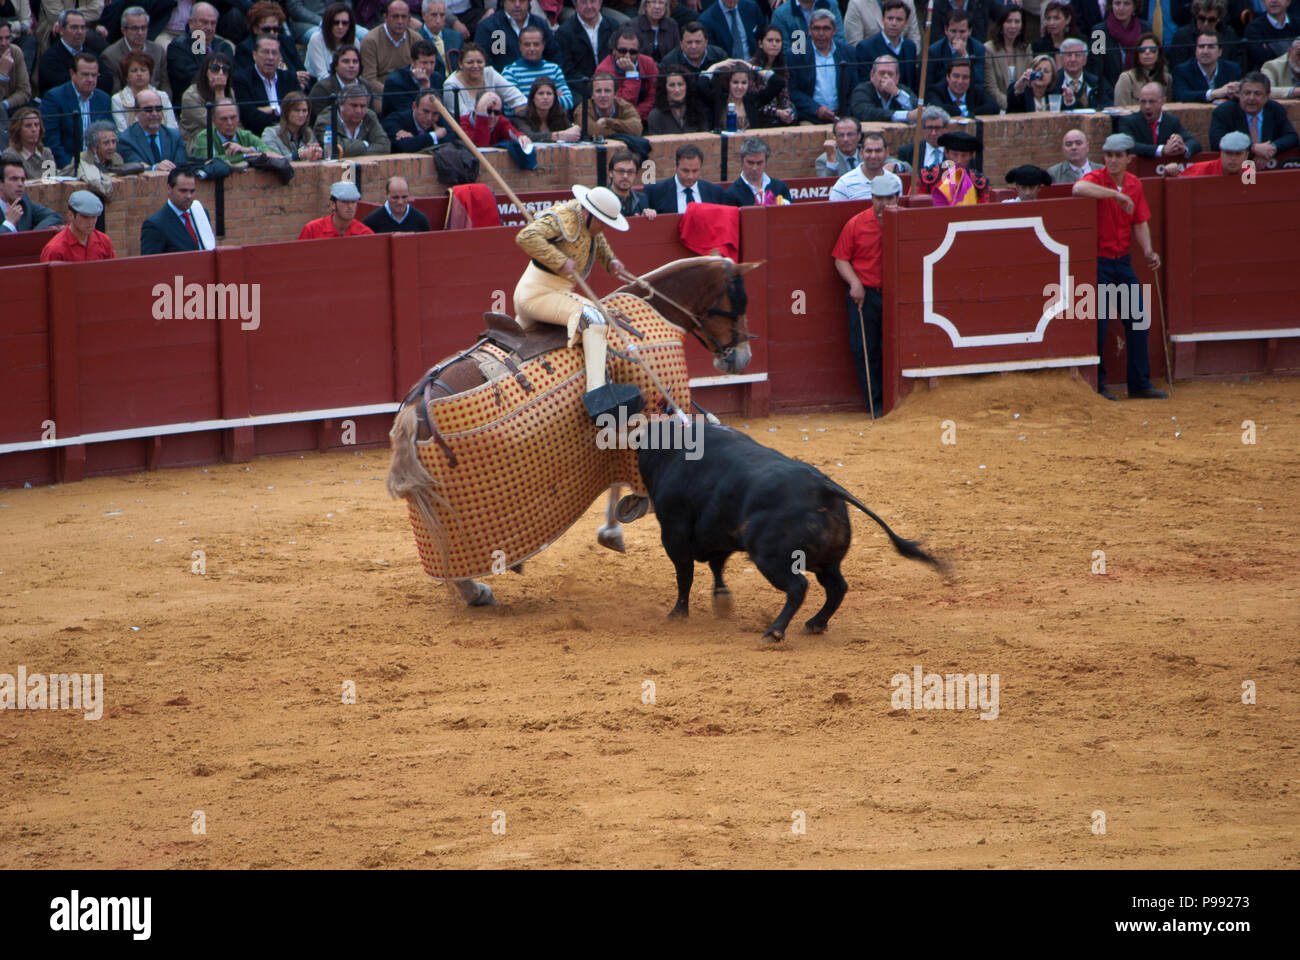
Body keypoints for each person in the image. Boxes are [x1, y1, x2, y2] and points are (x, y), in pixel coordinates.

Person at [513, 183, 637, 420]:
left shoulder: (589, 225)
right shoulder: (564, 217)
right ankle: (598, 395)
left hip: (551, 291)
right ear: (588, 213)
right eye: (601, 222)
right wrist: (559, 260)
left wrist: (610, 261)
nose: (603, 228)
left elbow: (596, 240)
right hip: (538, 293)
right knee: (594, 319)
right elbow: (525, 236)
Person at [1072, 132, 1166, 401]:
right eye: (1109, 156)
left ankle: (1139, 384)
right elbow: (1078, 189)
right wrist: (1114, 194)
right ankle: (1098, 385)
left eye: (1118, 156)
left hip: (1122, 262)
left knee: (1137, 321)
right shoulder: (1097, 179)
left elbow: (1139, 221)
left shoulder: (1135, 184)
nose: (1113, 161)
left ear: (1129, 159)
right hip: (1098, 263)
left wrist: (1148, 251)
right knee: (1100, 324)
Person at [831, 171, 900, 418]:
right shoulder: (857, 223)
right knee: (864, 348)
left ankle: (897, 401)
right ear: (871, 198)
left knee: (893, 348)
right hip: (867, 295)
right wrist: (854, 283)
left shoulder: (906, 221)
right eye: (878, 198)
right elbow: (841, 258)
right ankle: (876, 405)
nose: (883, 204)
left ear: (898, 198)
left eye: (888, 198)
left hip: (897, 296)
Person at [40, 52, 113, 169]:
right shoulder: (55, 98)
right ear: (72, 73)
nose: (90, 79)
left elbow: (109, 134)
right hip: (66, 167)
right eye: (85, 75)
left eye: (94, 75)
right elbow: (51, 141)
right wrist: (73, 167)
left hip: (100, 167)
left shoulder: (104, 99)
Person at [787, 10, 858, 123]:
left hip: (842, 117)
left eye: (826, 28)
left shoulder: (847, 52)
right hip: (809, 117)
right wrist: (816, 109)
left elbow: (854, 88)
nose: (821, 33)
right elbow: (793, 91)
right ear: (809, 30)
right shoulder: (796, 53)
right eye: (816, 28)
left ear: (834, 30)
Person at [1208, 70, 1299, 158]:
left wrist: (1271, 148)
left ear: (1267, 96)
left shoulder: (1275, 109)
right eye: (1247, 93)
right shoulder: (1224, 112)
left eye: (1257, 94)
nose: (1251, 98)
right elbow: (1216, 142)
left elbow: (1291, 137)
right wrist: (1253, 148)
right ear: (1239, 94)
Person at [234, 33, 304, 137]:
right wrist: (285, 116)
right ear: (254, 55)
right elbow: (249, 118)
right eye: (265, 52)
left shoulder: (290, 78)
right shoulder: (242, 79)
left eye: (274, 53)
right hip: (258, 137)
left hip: (290, 136)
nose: (270, 57)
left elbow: (301, 109)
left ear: (280, 57)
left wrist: (270, 110)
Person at [166, 3, 234, 102]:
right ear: (190, 22)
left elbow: (230, 75)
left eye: (213, 23)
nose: (209, 28)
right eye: (204, 22)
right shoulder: (178, 47)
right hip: (195, 101)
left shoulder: (224, 47)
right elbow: (190, 78)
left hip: (223, 99)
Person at [1118, 82, 1202, 160]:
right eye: (1143, 102)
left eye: (1152, 102)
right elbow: (1128, 145)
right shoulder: (1128, 122)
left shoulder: (1171, 121)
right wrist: (1162, 150)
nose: (1147, 106)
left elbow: (1194, 143)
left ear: (1163, 101)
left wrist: (1182, 148)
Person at [140, 166, 216, 252]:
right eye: (183, 191)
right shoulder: (155, 225)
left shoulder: (201, 213)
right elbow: (150, 263)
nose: (189, 196)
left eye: (192, 191)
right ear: (169, 189)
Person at [37, 11, 113, 97]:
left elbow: (108, 81)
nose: (80, 32)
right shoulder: (50, 57)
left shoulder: (92, 54)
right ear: (61, 30)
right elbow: (62, 86)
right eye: (74, 27)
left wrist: (80, 81)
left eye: (83, 27)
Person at [441, 42, 525, 117]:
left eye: (479, 62)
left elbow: (518, 99)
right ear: (460, 64)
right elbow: (463, 118)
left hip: (494, 126)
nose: (475, 66)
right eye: (470, 62)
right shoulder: (450, 85)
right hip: (467, 131)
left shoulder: (490, 73)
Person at [235, 2, 309, 86]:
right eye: (267, 30)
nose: (272, 33)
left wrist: (301, 83)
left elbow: (303, 72)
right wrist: (292, 79)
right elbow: (251, 81)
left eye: (276, 29)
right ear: (255, 29)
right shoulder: (245, 49)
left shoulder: (286, 42)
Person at [854, 0, 921, 93]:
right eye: (890, 18)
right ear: (883, 20)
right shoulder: (865, 47)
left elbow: (912, 83)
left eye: (899, 19)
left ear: (906, 23)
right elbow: (864, 85)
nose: (894, 23)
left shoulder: (910, 47)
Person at [502, 24, 573, 112]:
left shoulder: (554, 69)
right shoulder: (510, 72)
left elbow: (569, 102)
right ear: (520, 46)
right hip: (522, 124)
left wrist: (528, 100)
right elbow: (510, 109)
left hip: (554, 124)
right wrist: (553, 99)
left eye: (536, 44)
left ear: (543, 46)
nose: (532, 48)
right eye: (527, 44)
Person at [556, 0, 616, 100]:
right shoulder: (564, 33)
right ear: (575, 5)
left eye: (593, 1)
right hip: (581, 88)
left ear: (600, 2)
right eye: (583, 2)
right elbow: (567, 70)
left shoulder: (613, 26)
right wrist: (592, 89)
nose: (589, 6)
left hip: (611, 85)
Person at [460, 89, 534, 168]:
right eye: (488, 111)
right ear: (476, 108)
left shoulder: (501, 121)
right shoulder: (462, 123)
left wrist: (521, 137)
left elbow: (513, 133)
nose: (492, 116)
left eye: (496, 112)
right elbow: (481, 147)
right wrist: (482, 115)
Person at [594, 25, 656, 120]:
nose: (627, 56)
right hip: (617, 120)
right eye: (622, 51)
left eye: (633, 52)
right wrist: (631, 74)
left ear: (639, 52)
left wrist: (636, 114)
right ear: (614, 51)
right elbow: (621, 104)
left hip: (644, 116)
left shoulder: (648, 63)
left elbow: (654, 96)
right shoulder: (604, 70)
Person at [473, 0, 555, 71]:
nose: (517, 5)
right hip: (501, 84)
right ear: (504, 2)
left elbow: (553, 55)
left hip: (538, 83)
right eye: (512, 1)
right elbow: (483, 60)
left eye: (522, 1)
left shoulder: (540, 24)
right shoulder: (488, 26)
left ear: (529, 2)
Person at [116, 87, 188, 168]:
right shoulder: (126, 140)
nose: (155, 113)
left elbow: (181, 166)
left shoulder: (174, 136)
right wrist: (155, 168)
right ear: (136, 112)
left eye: (158, 109)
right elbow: (135, 167)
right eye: (149, 109)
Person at [179, 50, 235, 151]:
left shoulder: (230, 92)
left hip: (226, 140)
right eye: (215, 69)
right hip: (199, 144)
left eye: (225, 70)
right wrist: (219, 92)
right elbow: (217, 124)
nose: (220, 73)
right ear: (205, 72)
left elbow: (235, 123)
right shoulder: (190, 96)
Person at [101, 6, 166, 93]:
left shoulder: (159, 51)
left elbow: (165, 85)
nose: (140, 33)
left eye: (143, 28)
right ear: (123, 30)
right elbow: (116, 91)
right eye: (135, 28)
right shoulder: (110, 56)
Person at [110, 50, 178, 133]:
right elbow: (122, 131)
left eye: (143, 70)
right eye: (134, 71)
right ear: (126, 76)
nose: (139, 74)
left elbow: (172, 127)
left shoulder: (162, 96)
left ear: (150, 74)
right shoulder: (118, 100)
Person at [643, 142, 724, 212]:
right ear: (676, 166)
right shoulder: (654, 192)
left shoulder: (715, 192)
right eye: (685, 171)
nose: (690, 176)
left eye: (695, 171)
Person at [314, 83, 390, 155]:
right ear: (341, 105)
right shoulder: (326, 119)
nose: (358, 111)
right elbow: (336, 149)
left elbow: (384, 147)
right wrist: (365, 144)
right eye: (354, 105)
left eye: (362, 106)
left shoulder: (369, 116)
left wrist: (353, 151)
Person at [359, 0, 421, 90]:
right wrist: (392, 94)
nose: (400, 21)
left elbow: (420, 70)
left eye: (404, 17)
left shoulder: (416, 39)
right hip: (380, 94)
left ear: (409, 18)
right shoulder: (370, 41)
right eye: (395, 17)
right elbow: (369, 79)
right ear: (385, 18)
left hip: (409, 92)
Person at [1168, 0, 1245, 71]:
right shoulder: (1182, 36)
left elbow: (1236, 68)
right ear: (1196, 16)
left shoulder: (1230, 35)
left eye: (1211, 20)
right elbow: (1177, 70)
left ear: (1219, 19)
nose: (1206, 24)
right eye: (1202, 18)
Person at [40, 188, 115, 261]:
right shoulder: (55, 249)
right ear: (70, 215)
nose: (90, 222)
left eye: (94, 217)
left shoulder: (104, 241)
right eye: (85, 217)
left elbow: (114, 271)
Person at [309, 44, 380, 122]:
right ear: (336, 65)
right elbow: (322, 120)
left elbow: (369, 119)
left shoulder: (365, 86)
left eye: (355, 61)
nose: (351, 65)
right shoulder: (322, 89)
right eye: (346, 61)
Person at [918, 130, 990, 205]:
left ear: (971, 156)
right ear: (946, 153)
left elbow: (984, 210)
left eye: (964, 156)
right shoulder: (927, 177)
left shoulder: (979, 182)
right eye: (955, 155)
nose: (959, 161)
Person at [829, 130, 904, 200]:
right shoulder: (844, 184)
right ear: (861, 153)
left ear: (886, 152)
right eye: (869, 151)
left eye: (878, 151)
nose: (873, 156)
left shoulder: (895, 181)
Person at [1173, 30, 1246, 100]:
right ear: (1196, 50)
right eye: (1201, 47)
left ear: (1220, 52)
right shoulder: (1182, 70)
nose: (1205, 51)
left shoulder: (1232, 69)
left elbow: (1240, 95)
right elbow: (1181, 95)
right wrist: (1213, 93)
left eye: (1211, 47)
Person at [305, 2, 369, 81]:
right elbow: (321, 75)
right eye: (336, 23)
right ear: (328, 23)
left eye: (344, 23)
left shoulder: (355, 42)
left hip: (347, 83)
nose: (340, 27)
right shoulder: (316, 39)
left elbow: (358, 73)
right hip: (319, 84)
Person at [926, 10, 986, 92]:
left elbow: (979, 81)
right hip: (942, 97)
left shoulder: (978, 49)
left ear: (970, 31)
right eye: (953, 31)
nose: (958, 36)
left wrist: (965, 56)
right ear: (946, 30)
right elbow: (929, 86)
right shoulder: (934, 51)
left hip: (970, 97)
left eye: (962, 31)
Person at [984, 5, 1030, 112]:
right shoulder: (989, 49)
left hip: (1022, 108)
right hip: (999, 108)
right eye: (1008, 21)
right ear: (1001, 24)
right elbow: (991, 89)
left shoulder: (1026, 49)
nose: (1013, 26)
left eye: (1017, 21)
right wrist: (1011, 106)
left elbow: (1028, 84)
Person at [850, 53, 919, 124]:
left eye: (890, 74)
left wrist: (897, 93)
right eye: (881, 73)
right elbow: (866, 113)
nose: (886, 77)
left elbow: (917, 109)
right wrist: (906, 115)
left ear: (897, 78)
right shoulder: (861, 91)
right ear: (872, 75)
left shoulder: (903, 90)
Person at [0, 154, 62, 233]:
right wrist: (9, 223)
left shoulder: (23, 201)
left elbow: (54, 216)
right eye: (14, 179)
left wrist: (32, 234)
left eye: (22, 179)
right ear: (1, 183)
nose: (20, 184)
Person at [192, 98, 268, 160]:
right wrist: (245, 156)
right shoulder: (204, 137)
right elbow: (212, 161)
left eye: (233, 117)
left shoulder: (246, 135)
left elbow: (272, 153)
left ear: (239, 117)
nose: (230, 123)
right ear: (213, 121)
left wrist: (248, 150)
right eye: (224, 119)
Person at [723, 137, 790, 207]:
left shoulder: (780, 187)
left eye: (759, 163)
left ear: (766, 162)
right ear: (742, 161)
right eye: (750, 163)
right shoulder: (731, 194)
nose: (755, 168)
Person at [749, 26, 795, 126]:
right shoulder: (752, 67)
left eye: (778, 41)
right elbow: (753, 102)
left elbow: (785, 96)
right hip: (758, 119)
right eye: (770, 40)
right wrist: (777, 113)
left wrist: (788, 111)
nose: (774, 44)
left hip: (779, 119)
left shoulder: (783, 66)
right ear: (760, 43)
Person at [1098, 0, 1150, 87]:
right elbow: (1097, 69)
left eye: (1127, 3)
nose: (1121, 8)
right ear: (1111, 5)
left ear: (1134, 7)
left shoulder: (1145, 29)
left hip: (1141, 88)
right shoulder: (1099, 32)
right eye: (1117, 3)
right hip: (1109, 91)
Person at [574, 70, 642, 136]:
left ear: (615, 94)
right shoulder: (583, 109)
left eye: (607, 91)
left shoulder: (625, 106)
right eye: (598, 91)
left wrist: (608, 122)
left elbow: (637, 129)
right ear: (592, 95)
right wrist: (624, 134)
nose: (603, 95)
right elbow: (592, 132)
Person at [299, 179, 375, 238]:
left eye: (353, 202)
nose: (350, 206)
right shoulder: (312, 230)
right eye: (345, 202)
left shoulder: (365, 233)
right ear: (333, 204)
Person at [512, 76, 580, 142]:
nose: (545, 97)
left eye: (549, 93)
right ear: (533, 98)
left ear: (554, 98)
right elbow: (529, 136)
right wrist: (559, 135)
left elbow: (570, 132)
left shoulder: (560, 115)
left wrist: (575, 130)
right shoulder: (521, 117)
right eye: (541, 93)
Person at [1053, 37, 1113, 109]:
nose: (1073, 59)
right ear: (1062, 59)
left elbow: (1109, 106)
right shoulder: (1053, 83)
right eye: (1069, 55)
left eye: (1077, 55)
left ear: (1085, 59)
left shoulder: (1097, 82)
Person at [1113, 32, 1171, 107]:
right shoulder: (1126, 78)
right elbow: (1120, 110)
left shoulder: (1167, 78)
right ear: (1137, 54)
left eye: (1152, 49)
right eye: (1142, 50)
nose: (1147, 52)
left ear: (1159, 53)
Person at [646, 63, 707, 134]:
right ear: (664, 88)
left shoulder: (698, 111)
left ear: (687, 86)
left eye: (680, 84)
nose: (677, 90)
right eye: (672, 85)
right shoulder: (656, 115)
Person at [262, 89, 324, 158]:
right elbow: (273, 160)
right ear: (286, 112)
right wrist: (299, 154)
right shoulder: (270, 133)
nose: (301, 115)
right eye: (297, 110)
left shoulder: (309, 134)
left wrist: (317, 153)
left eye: (304, 111)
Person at [926, 57, 997, 116]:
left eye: (965, 77)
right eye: (956, 76)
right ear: (948, 77)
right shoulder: (935, 91)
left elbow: (994, 107)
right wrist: (962, 111)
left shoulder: (976, 91)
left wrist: (970, 113)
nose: (960, 81)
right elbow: (938, 109)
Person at [381, 88, 448, 151]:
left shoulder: (442, 119)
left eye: (435, 114)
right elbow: (403, 147)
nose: (429, 118)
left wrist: (414, 140)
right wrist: (434, 136)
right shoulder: (395, 120)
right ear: (414, 106)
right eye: (425, 111)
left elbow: (450, 142)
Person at [698, 0, 763, 62]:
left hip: (753, 65)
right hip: (726, 68)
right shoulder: (707, 20)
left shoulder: (751, 8)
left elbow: (762, 34)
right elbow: (712, 52)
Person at [1242, 0, 1298, 71]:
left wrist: (1272, 48)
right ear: (1263, 2)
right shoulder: (1254, 28)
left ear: (1288, 2)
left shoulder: (1298, 24)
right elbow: (1261, 58)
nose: (1273, 1)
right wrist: (1292, 51)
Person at [362, 174, 430, 232]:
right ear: (386, 195)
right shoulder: (371, 222)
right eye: (395, 197)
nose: (400, 202)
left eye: (404, 197)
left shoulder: (421, 220)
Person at [1168, 129, 1252, 174]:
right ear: (1221, 153)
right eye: (1228, 153)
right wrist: (1169, 174)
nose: (1233, 158)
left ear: (1246, 156)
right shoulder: (1200, 170)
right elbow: (1176, 184)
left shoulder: (1251, 175)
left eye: (1238, 154)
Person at [845, 0, 921, 50]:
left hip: (902, 60)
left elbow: (914, 36)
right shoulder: (856, 3)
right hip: (871, 64)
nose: (894, 23)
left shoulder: (908, 2)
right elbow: (855, 45)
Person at [660, 20, 725, 76]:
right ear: (681, 44)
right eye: (689, 42)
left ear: (706, 42)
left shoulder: (719, 56)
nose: (693, 46)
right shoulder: (670, 61)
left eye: (698, 42)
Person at [5, 105, 54, 179]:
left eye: (36, 125)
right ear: (18, 130)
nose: (34, 129)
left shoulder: (46, 153)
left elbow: (52, 181)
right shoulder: (11, 155)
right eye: (28, 126)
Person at [416, 1, 462, 77]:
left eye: (442, 15)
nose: (438, 20)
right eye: (434, 15)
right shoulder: (416, 38)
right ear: (424, 15)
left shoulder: (457, 37)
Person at [605, 148, 655, 217]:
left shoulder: (642, 199)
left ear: (636, 174)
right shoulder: (601, 198)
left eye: (630, 172)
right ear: (611, 172)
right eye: (620, 171)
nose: (625, 176)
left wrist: (644, 220)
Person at [0, 20, 33, 117]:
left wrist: (5, 105)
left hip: (11, 108)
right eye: (0, 39)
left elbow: (25, 91)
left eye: (7, 38)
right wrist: (2, 74)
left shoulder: (15, 52)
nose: (4, 43)